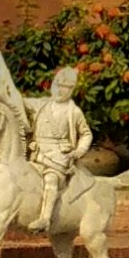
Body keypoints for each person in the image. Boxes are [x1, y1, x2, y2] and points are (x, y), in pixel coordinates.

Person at [24, 64, 94, 234]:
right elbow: (20, 103)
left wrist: (78, 151)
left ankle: (45, 219)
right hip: (36, 154)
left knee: (51, 180)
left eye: (65, 88)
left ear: (71, 90)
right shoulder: (40, 104)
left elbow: (86, 134)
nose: (60, 90)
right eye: (57, 85)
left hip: (58, 158)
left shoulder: (74, 112)